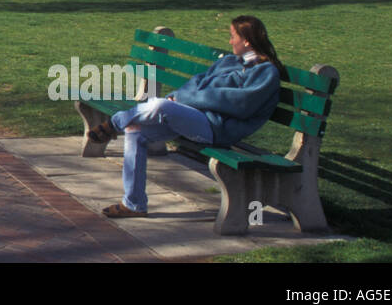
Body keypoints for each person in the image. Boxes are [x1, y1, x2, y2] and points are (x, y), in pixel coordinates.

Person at [90, 15, 283, 218]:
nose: (229, 41)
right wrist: (178, 97)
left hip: (216, 128)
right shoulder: (229, 62)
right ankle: (134, 204)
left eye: (232, 36)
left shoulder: (265, 73)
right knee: (135, 130)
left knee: (160, 105)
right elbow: (198, 81)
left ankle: (114, 123)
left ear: (246, 40)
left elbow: (239, 104)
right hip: (194, 117)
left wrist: (181, 99)